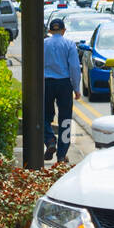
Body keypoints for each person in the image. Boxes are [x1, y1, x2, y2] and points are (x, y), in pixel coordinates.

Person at [43, 18, 81, 163]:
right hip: (64, 84)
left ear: (50, 31)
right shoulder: (69, 44)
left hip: (47, 83)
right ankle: (61, 154)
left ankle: (50, 140)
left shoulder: (44, 44)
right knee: (65, 119)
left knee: (45, 116)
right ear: (64, 31)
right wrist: (76, 89)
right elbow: (74, 68)